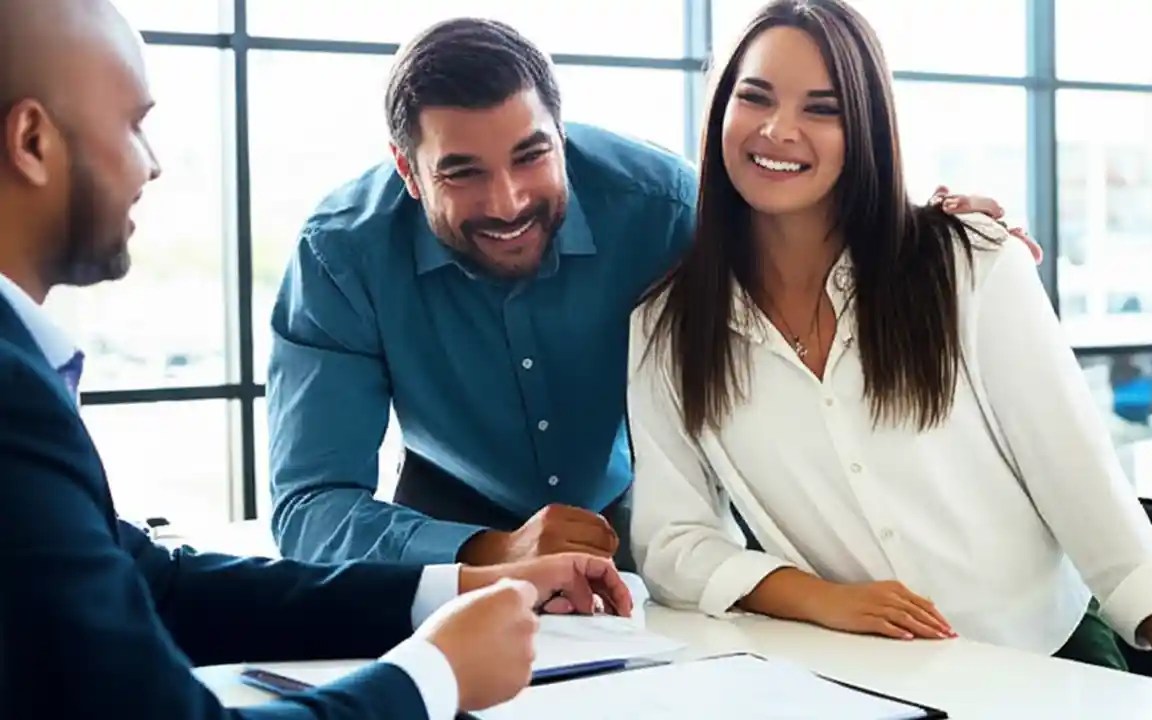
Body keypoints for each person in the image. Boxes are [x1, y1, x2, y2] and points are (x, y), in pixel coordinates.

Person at [0, 1, 632, 718]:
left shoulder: (18, 372)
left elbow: (157, 586)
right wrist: (434, 675)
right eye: (132, 124)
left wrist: (463, 588)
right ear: (32, 141)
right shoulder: (11, 397)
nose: (153, 162)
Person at [627, 0, 1152, 699]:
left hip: (1047, 656)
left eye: (823, 108)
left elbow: (1073, 465)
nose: (779, 129)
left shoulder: (967, 263)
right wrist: (819, 598)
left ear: (866, 129)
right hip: (860, 675)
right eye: (754, 97)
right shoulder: (669, 326)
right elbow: (672, 541)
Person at [267, 15, 1026, 570]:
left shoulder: (665, 208)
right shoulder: (340, 256)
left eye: (532, 156)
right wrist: (491, 550)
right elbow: (309, 507)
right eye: (462, 172)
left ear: (561, 133)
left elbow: (809, 241)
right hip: (449, 529)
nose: (507, 201)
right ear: (408, 170)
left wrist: (932, 238)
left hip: (646, 521)